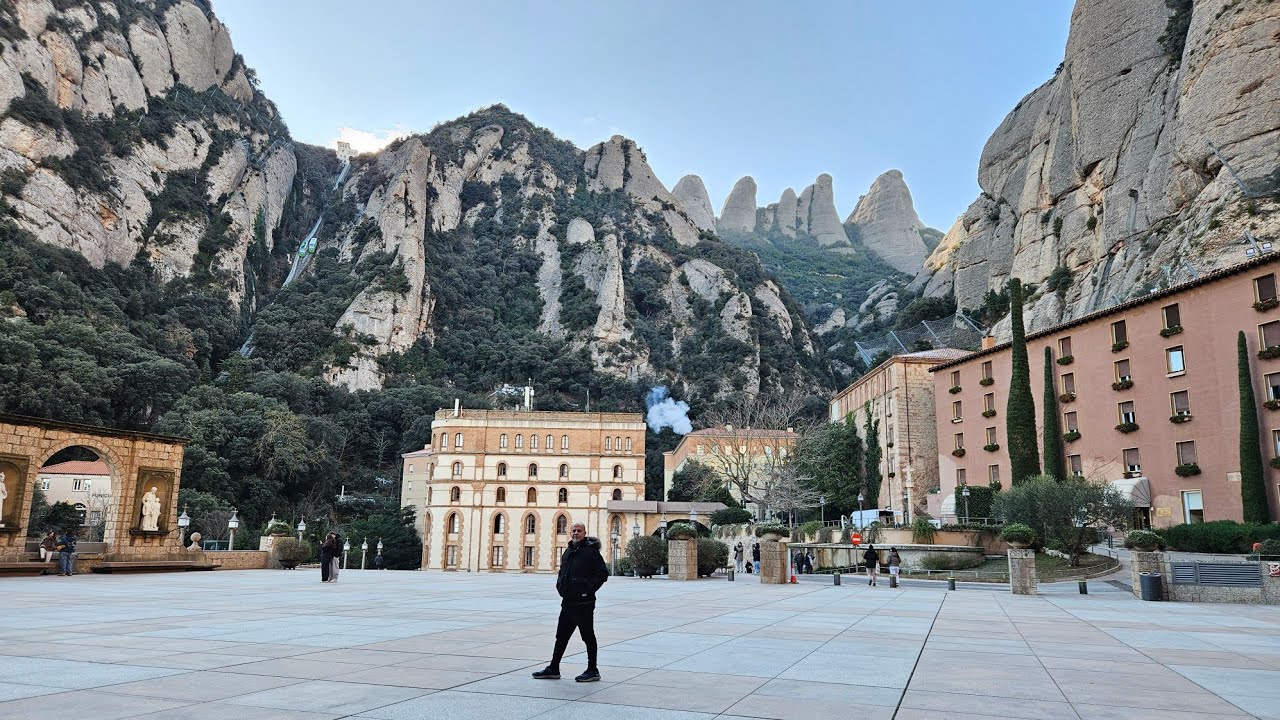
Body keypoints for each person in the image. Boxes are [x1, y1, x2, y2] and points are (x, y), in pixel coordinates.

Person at [533, 521, 608, 683]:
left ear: (584, 532)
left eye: (579, 531)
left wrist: (587, 590)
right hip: (567, 602)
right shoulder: (568, 551)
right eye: (573, 530)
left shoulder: (591, 551)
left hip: (584, 604)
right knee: (561, 636)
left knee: (588, 636)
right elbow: (563, 571)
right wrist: (560, 585)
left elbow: (603, 573)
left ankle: (593, 670)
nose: (576, 533)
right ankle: (554, 668)